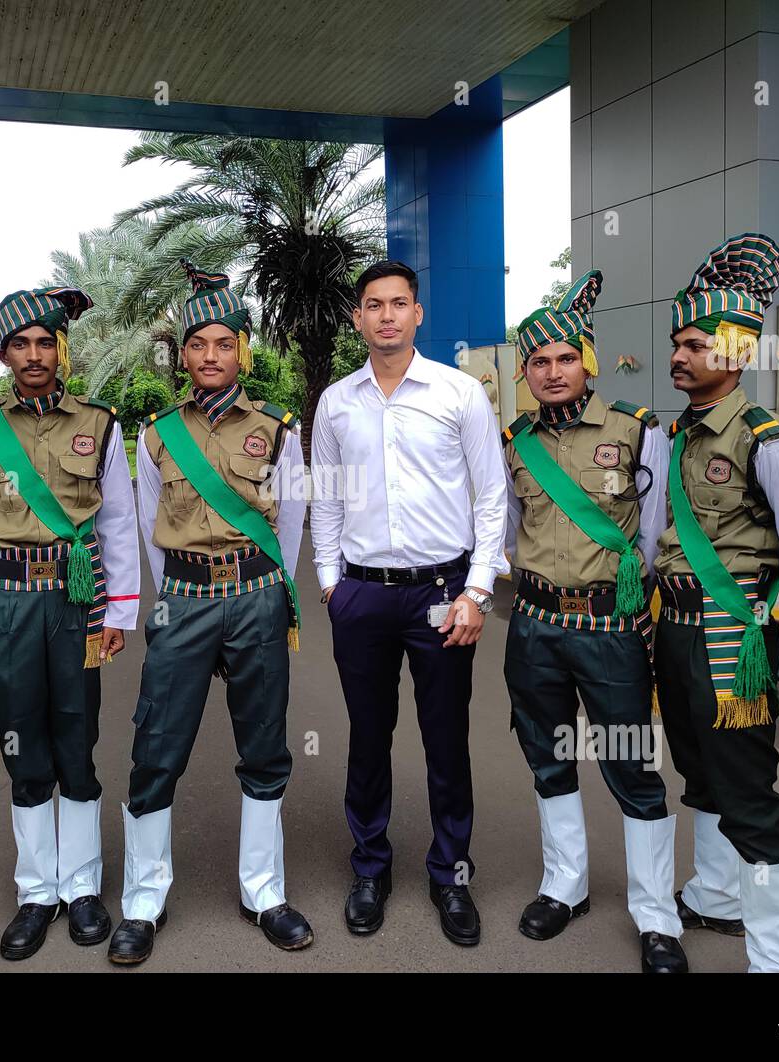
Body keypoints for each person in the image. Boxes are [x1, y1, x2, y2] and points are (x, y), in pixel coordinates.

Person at [107, 260, 310, 966]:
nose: (212, 357)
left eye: (225, 344)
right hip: (184, 599)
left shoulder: (280, 431)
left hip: (255, 597)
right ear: (183, 355)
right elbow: (143, 522)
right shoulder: (156, 435)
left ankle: (264, 891)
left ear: (242, 351)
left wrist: (256, 584)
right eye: (199, 346)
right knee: (157, 745)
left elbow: (291, 529)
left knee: (264, 747)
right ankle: (143, 900)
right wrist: (182, 587)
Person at [653, 234, 779, 973]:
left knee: (752, 800)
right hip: (677, 630)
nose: (679, 355)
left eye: (695, 344)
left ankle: (778, 960)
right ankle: (716, 896)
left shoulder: (770, 440)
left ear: (734, 353)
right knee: (701, 775)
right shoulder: (683, 432)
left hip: (734, 638)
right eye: (676, 343)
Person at [310, 260, 508, 946]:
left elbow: (491, 496)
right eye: (374, 304)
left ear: (418, 314)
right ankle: (370, 867)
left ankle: (451, 873)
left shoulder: (459, 394)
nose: (387, 315)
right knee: (367, 737)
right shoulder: (336, 402)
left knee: (446, 738)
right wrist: (332, 584)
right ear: (358, 318)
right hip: (363, 595)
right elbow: (327, 500)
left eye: (399, 303)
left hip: (442, 594)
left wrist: (478, 589)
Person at [502, 270, 685, 973]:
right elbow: (514, 530)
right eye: (540, 362)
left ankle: (655, 913)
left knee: (633, 764)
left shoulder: (638, 429)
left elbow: (657, 531)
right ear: (526, 372)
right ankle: (564, 885)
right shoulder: (515, 442)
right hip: (534, 625)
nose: (553, 372)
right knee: (549, 756)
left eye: (565, 358)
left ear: (589, 361)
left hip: (611, 628)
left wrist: (628, 601)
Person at [0, 287, 140, 961]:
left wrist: (120, 612)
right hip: (4, 600)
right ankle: (36, 891)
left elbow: (117, 520)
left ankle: (83, 887)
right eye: (19, 344)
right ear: (2, 353)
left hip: (74, 598)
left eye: (44, 342)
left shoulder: (102, 423)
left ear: (62, 348)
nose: (33, 356)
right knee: (21, 742)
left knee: (76, 734)